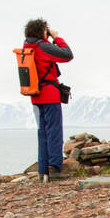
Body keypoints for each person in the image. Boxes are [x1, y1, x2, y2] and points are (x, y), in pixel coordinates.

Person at [22, 18, 73, 183]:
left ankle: (42, 170)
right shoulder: (42, 47)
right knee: (54, 131)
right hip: (50, 95)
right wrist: (56, 37)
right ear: (42, 32)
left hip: (35, 96)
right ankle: (55, 169)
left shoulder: (27, 47)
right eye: (46, 30)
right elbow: (67, 55)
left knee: (42, 132)